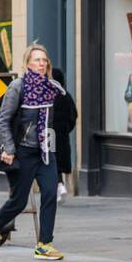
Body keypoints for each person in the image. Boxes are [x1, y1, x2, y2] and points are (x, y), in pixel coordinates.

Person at [0, 44, 67, 260]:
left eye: (44, 60)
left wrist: (53, 148)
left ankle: (44, 244)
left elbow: (56, 120)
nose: (41, 64)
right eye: (37, 60)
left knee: (50, 193)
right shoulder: (17, 86)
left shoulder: (53, 87)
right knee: (19, 200)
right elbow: (3, 120)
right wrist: (9, 149)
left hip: (45, 150)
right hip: (23, 151)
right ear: (28, 63)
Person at [52, 66, 77, 202]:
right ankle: (60, 185)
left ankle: (59, 185)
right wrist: (66, 128)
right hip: (62, 135)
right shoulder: (66, 96)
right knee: (59, 161)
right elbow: (74, 116)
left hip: (50, 135)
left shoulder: (48, 95)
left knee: (51, 161)